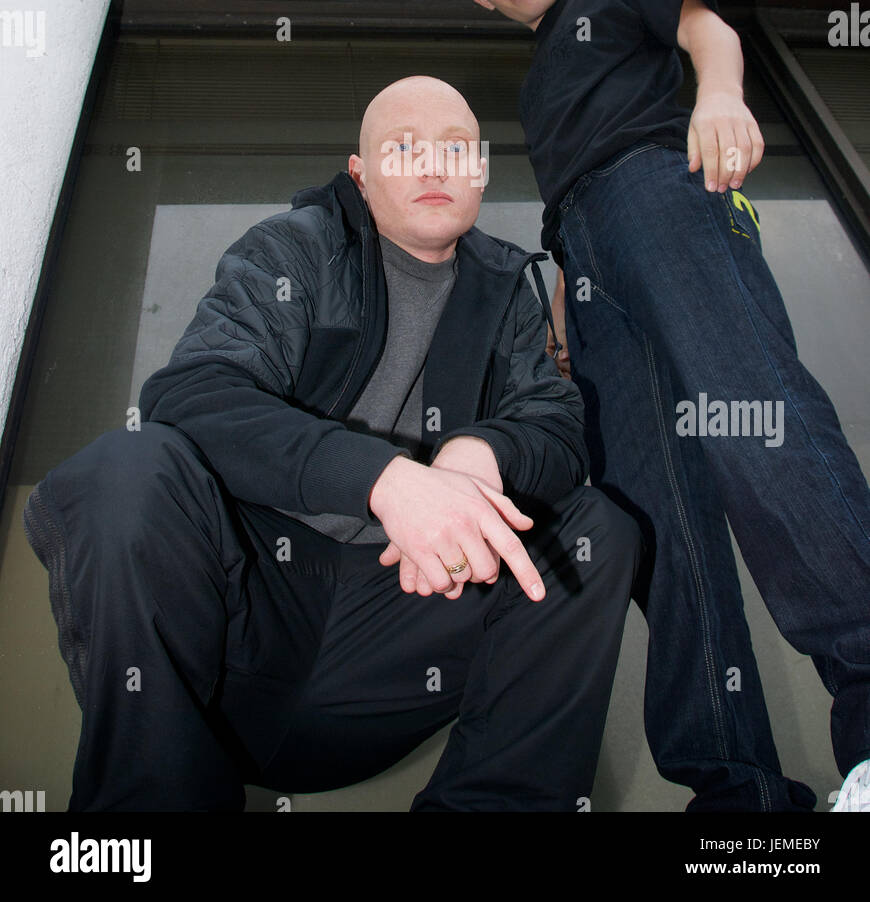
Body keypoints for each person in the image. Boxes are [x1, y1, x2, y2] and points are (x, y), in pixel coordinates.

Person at [23, 75, 641, 812]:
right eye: (403, 148)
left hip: (401, 625)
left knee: (595, 530)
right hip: (243, 614)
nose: (434, 166)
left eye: (455, 150)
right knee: (126, 466)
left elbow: (556, 426)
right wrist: (387, 481)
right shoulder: (296, 249)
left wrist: (482, 456)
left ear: (481, 172)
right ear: (361, 173)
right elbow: (190, 396)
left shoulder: (507, 288)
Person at [455, 0, 870, 814]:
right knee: (652, 519)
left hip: (662, 196)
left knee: (759, 427)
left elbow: (705, 27)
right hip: (589, 264)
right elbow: (566, 202)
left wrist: (719, 95)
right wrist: (565, 313)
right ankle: (737, 799)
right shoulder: (536, 90)